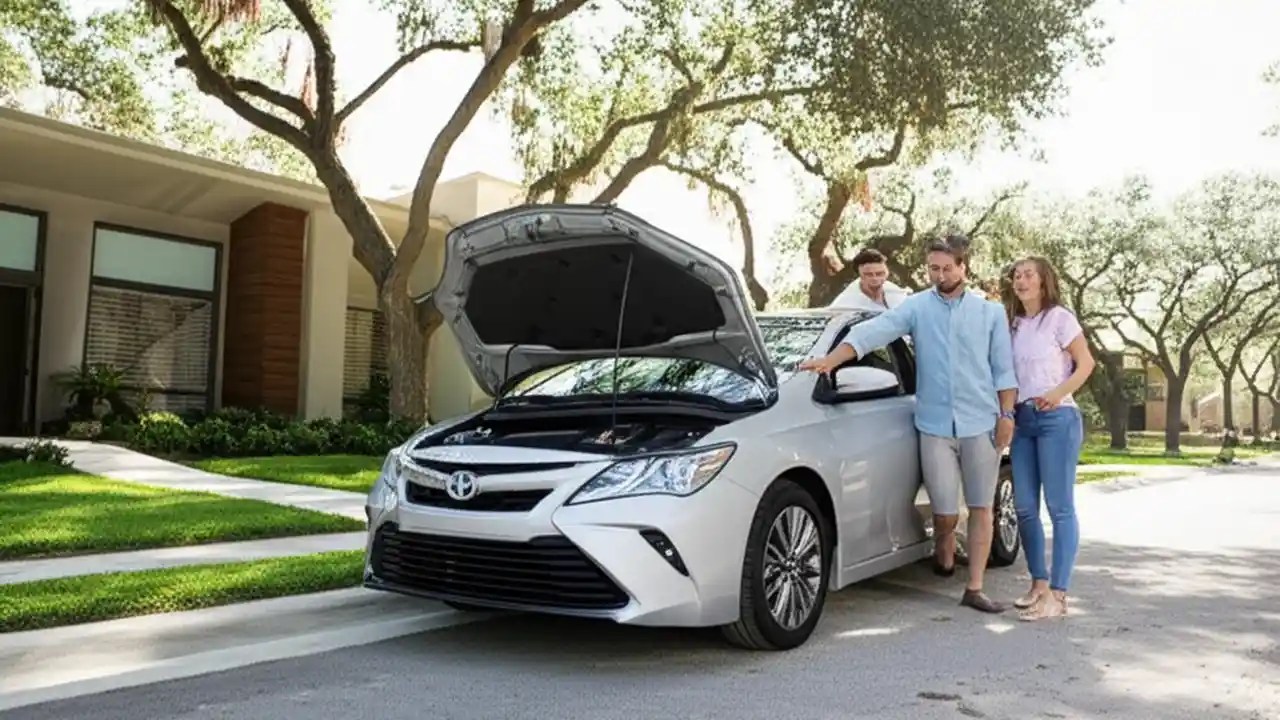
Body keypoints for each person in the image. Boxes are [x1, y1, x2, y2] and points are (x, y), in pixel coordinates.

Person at [800, 234, 1018, 613]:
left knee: (982, 506)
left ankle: (975, 588)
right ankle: (945, 547)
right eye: (934, 268)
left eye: (948, 267)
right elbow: (871, 333)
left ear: (964, 267)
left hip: (980, 422)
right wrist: (831, 360)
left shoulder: (990, 313)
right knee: (944, 509)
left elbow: (1004, 370)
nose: (940, 274)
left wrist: (1007, 415)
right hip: (934, 425)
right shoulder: (916, 308)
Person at [1003, 256, 1095, 621]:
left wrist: (1057, 393)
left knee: (1059, 507)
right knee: (1024, 507)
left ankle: (1058, 595)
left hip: (1058, 417)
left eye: (1029, 275)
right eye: (1017, 275)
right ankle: (1038, 585)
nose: (1021, 280)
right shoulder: (1010, 325)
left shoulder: (1060, 318)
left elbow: (1086, 363)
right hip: (1024, 420)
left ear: (1044, 282)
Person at [829, 248, 911, 312]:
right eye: (869, 274)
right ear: (859, 275)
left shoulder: (895, 292)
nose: (875, 278)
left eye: (880, 274)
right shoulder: (845, 303)